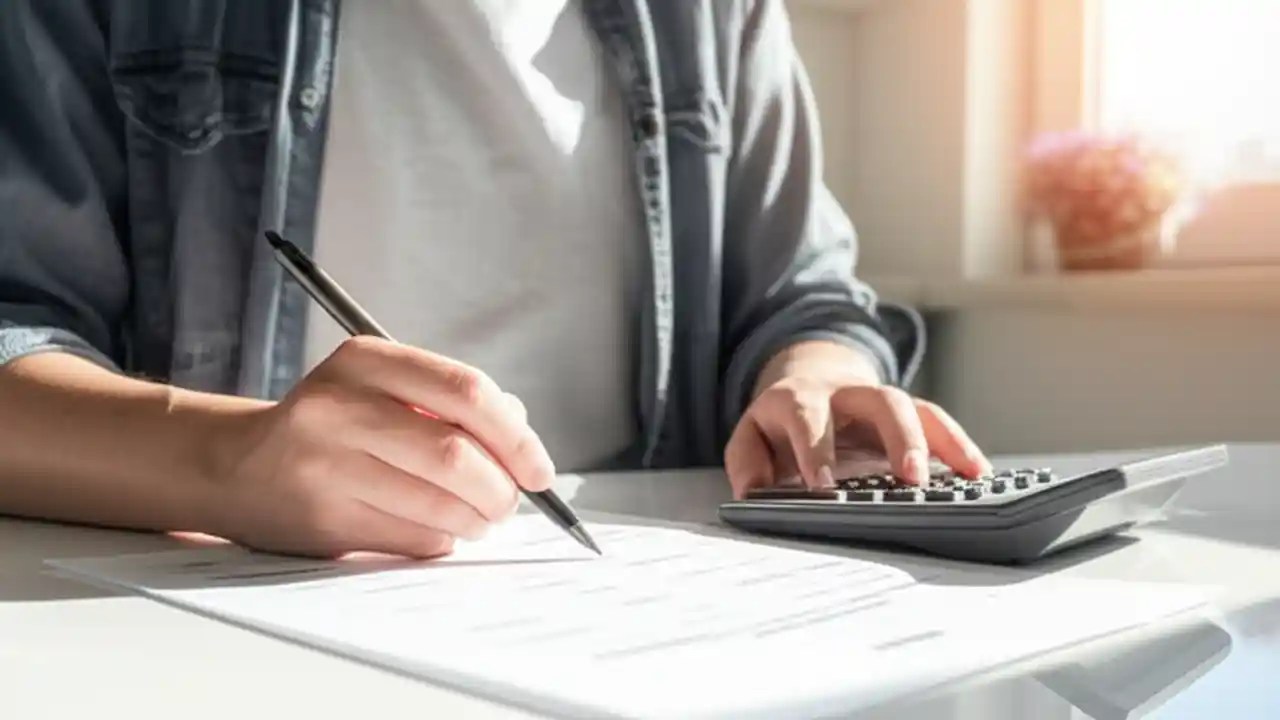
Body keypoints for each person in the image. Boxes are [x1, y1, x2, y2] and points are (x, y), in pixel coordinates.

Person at [0, 0, 989, 558]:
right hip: (236, 611)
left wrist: (808, 377)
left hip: (638, 614)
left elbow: (800, 296)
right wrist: (230, 463)